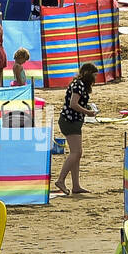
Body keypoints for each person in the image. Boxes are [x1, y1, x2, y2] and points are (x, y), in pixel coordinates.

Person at [54, 62, 98, 196]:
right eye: (94, 75)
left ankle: (76, 185)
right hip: (70, 121)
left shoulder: (80, 84)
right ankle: (60, 180)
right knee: (76, 152)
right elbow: (73, 104)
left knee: (76, 154)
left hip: (74, 121)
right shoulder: (78, 85)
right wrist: (87, 112)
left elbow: (76, 102)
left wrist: (87, 108)